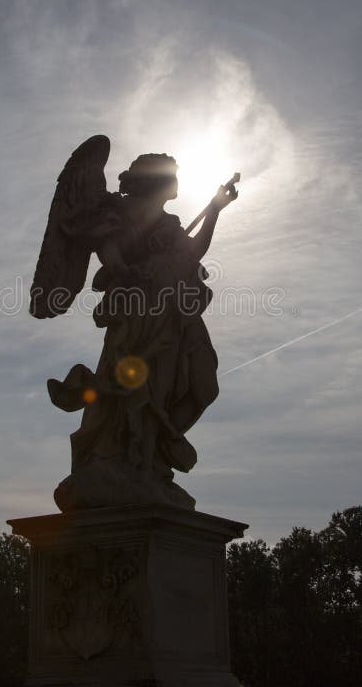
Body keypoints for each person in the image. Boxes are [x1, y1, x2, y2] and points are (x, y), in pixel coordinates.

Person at [46, 153, 235, 510]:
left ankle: (156, 457)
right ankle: (136, 464)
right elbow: (109, 251)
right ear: (154, 179)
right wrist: (125, 270)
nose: (177, 180)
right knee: (144, 391)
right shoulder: (119, 211)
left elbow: (192, 252)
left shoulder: (168, 223)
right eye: (172, 174)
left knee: (202, 385)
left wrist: (214, 209)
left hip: (176, 312)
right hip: (140, 311)